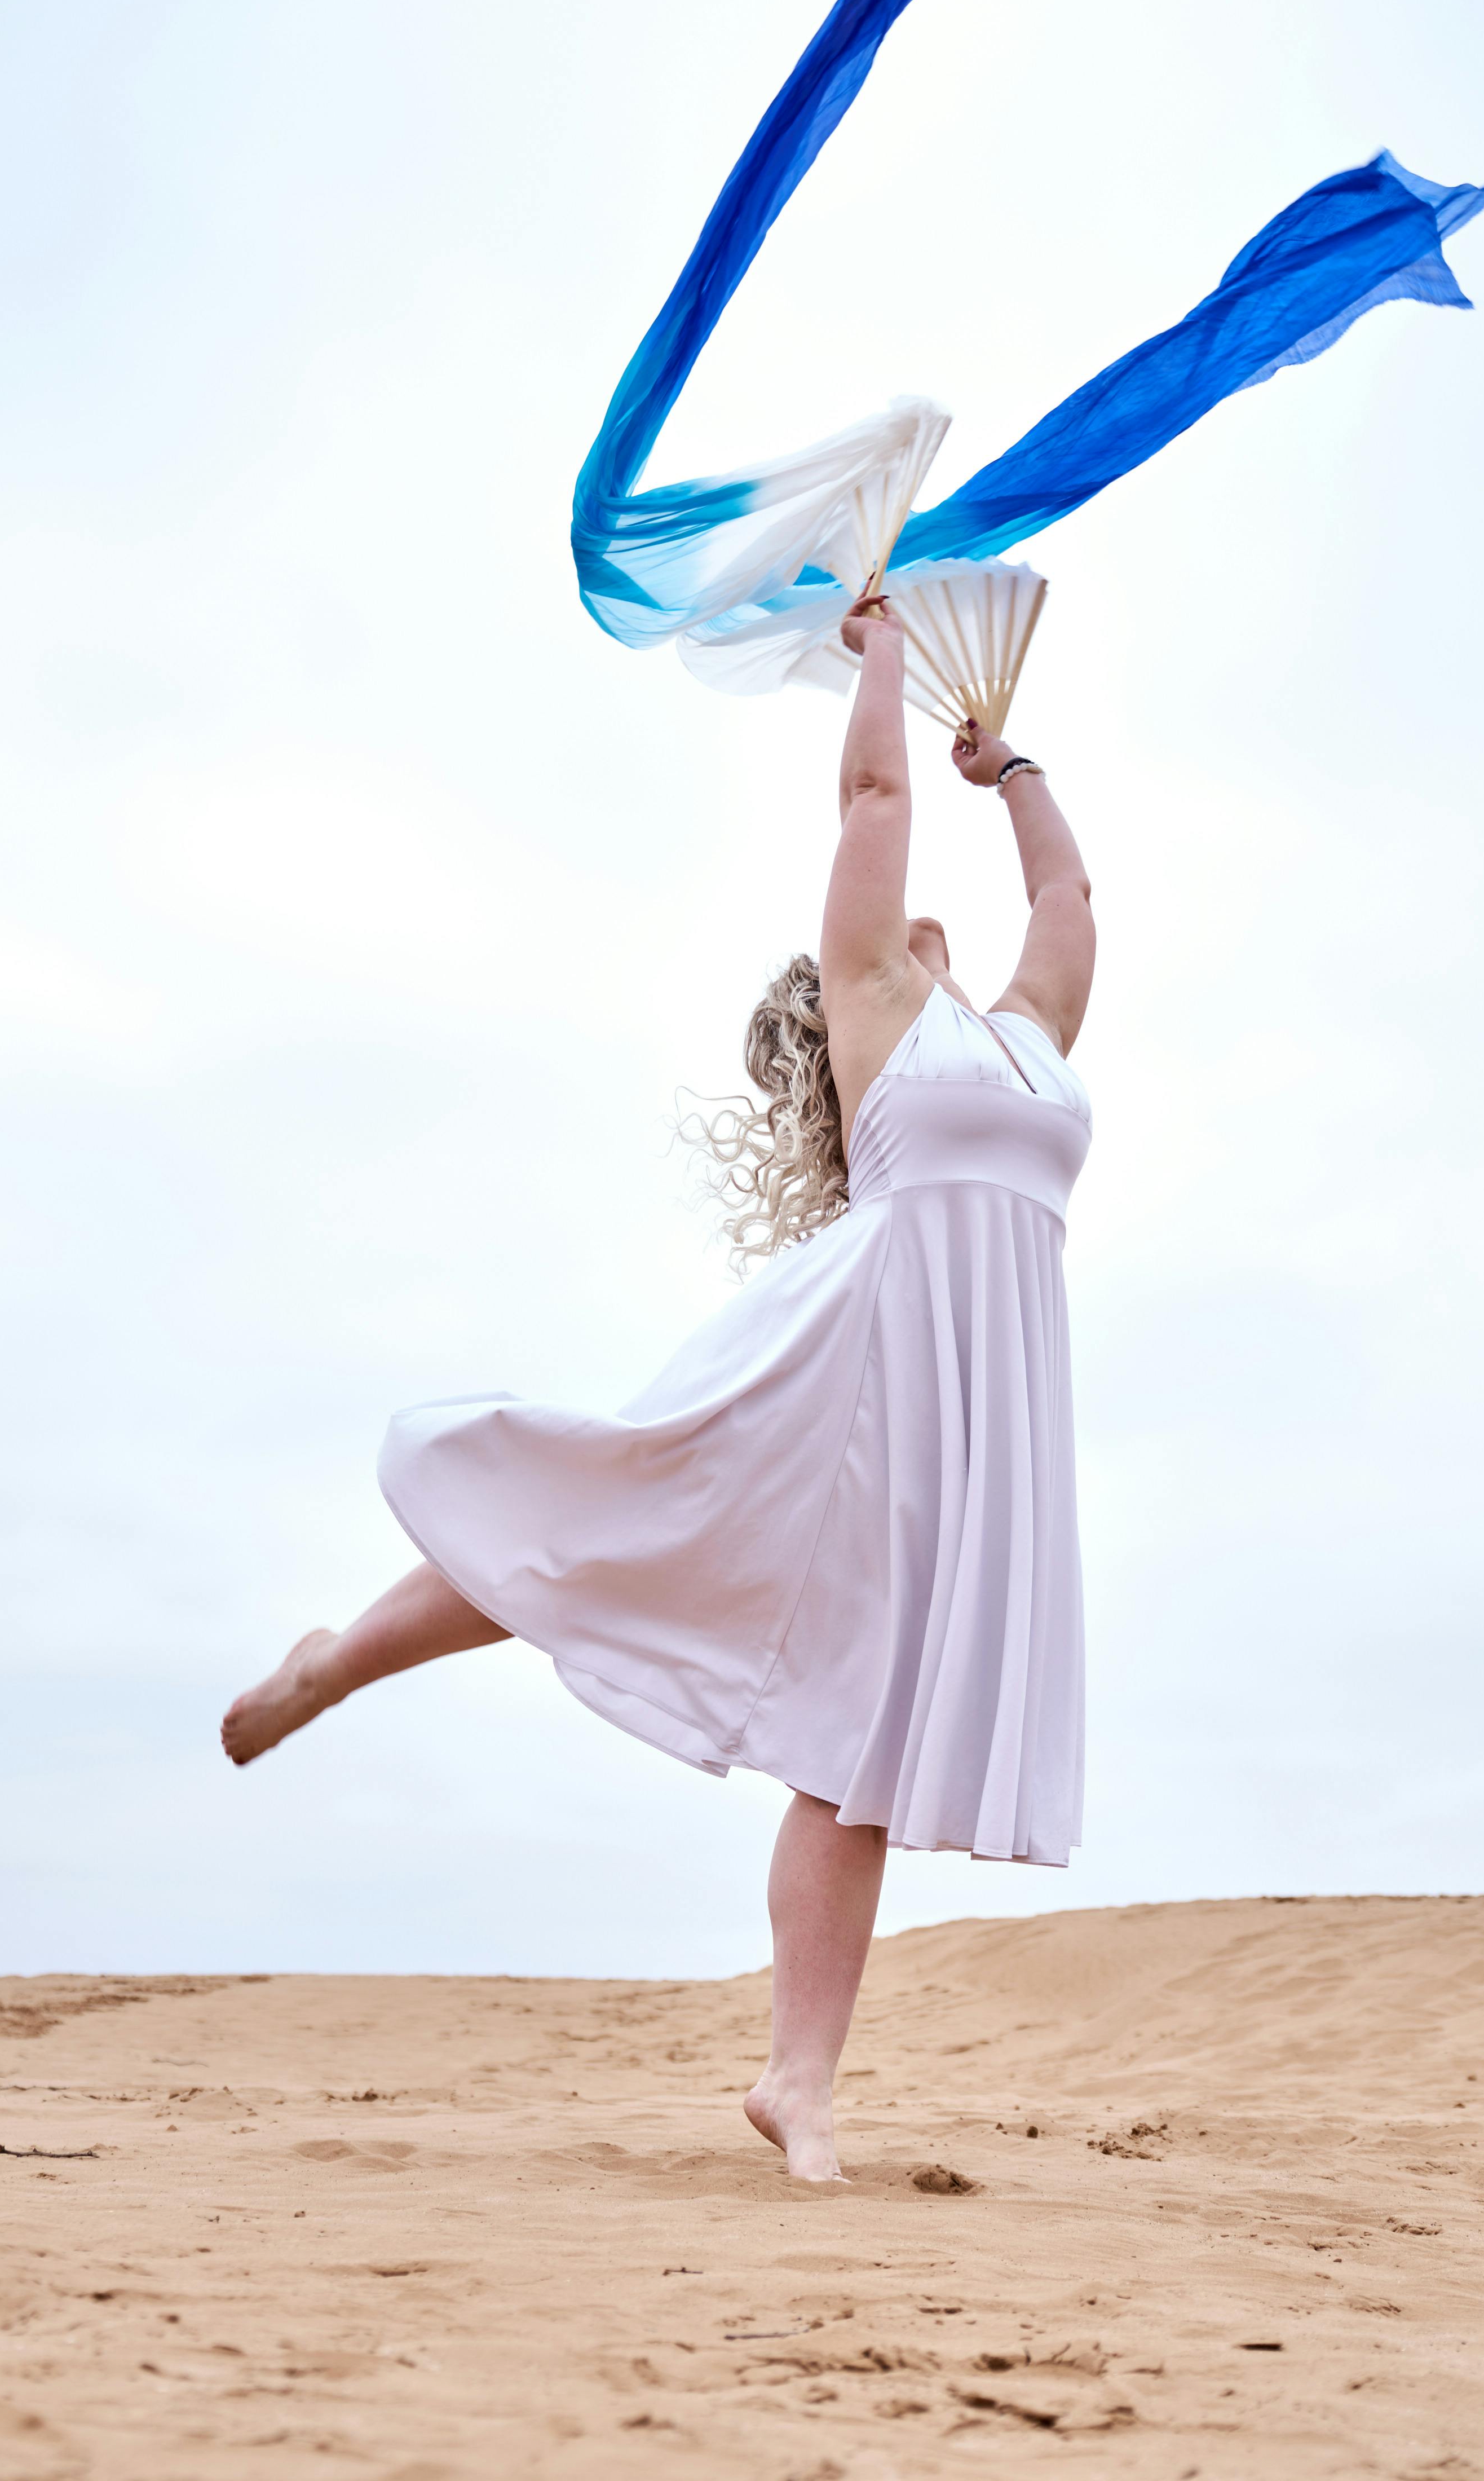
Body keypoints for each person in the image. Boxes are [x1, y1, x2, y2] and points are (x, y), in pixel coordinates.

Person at [222, 594, 1096, 2183]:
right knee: (612, 1514)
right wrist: (881, 648)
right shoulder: (881, 1014)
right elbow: (873, 803)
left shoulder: (1036, 1043)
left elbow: (1072, 893)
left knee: (864, 1734)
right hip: (859, 1364)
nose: (922, 920)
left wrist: (1012, 762)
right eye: (900, 922)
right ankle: (340, 1661)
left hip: (975, 1411)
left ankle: (800, 2086)